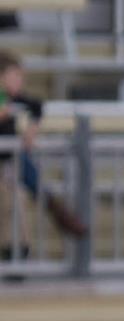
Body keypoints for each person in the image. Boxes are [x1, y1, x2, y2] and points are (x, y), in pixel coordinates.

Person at [0, 50, 87, 243]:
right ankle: (58, 212)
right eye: (15, 76)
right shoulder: (3, 99)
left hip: (9, 161)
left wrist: (32, 128)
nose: (20, 81)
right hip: (7, 161)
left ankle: (58, 214)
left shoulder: (11, 98)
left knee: (21, 197)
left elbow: (37, 106)